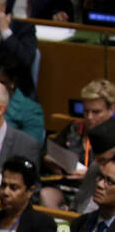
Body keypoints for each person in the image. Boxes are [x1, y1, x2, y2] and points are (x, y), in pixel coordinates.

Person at [43, 78, 115, 208]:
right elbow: (49, 152)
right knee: (46, 194)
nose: (89, 117)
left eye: (96, 112)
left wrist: (89, 174)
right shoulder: (75, 128)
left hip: (99, 191)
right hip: (67, 187)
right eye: (86, 111)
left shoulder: (112, 138)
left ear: (111, 109)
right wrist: (52, 163)